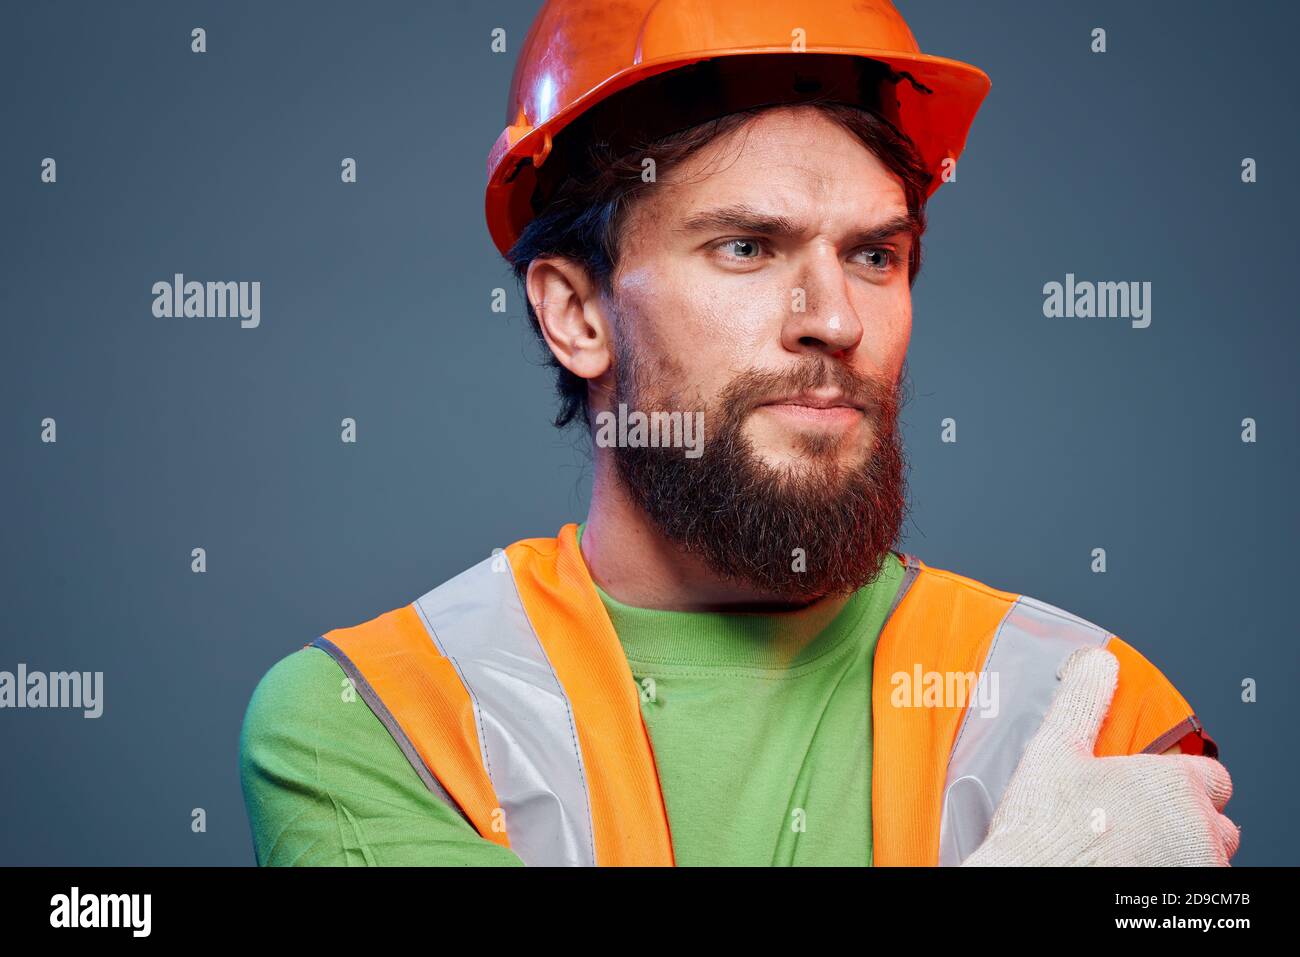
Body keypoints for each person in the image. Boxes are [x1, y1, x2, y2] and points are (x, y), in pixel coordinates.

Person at [239, 0, 1238, 866]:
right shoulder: (378, 719)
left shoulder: (1086, 710)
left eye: (874, 256)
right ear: (576, 315)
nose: (834, 319)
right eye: (746, 247)